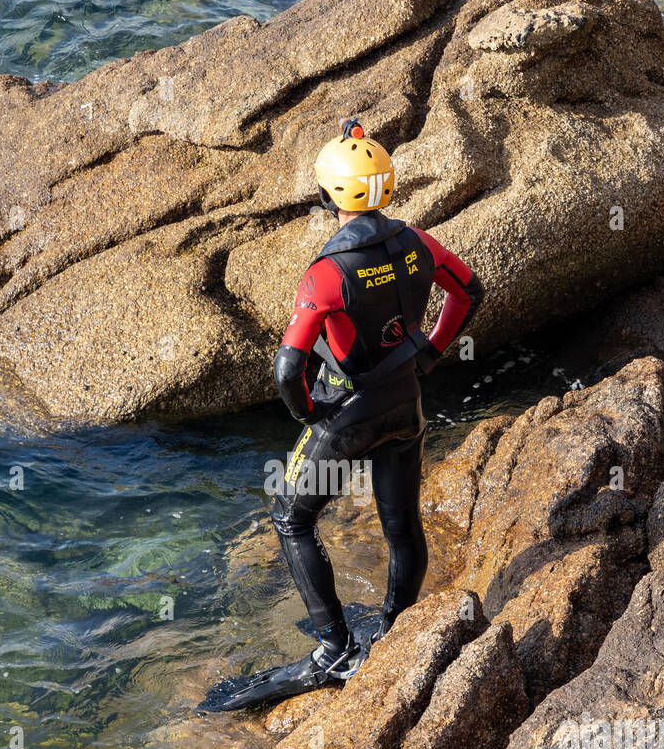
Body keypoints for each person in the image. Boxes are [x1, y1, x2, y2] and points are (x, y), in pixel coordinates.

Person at [202, 118, 483, 712]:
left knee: (292, 517)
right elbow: (468, 292)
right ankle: (396, 628)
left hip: (346, 417)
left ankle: (332, 649)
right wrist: (431, 351)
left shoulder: (326, 273)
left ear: (329, 194)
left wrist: (310, 414)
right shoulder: (419, 243)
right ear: (385, 186)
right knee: (401, 524)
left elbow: (287, 368)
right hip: (406, 404)